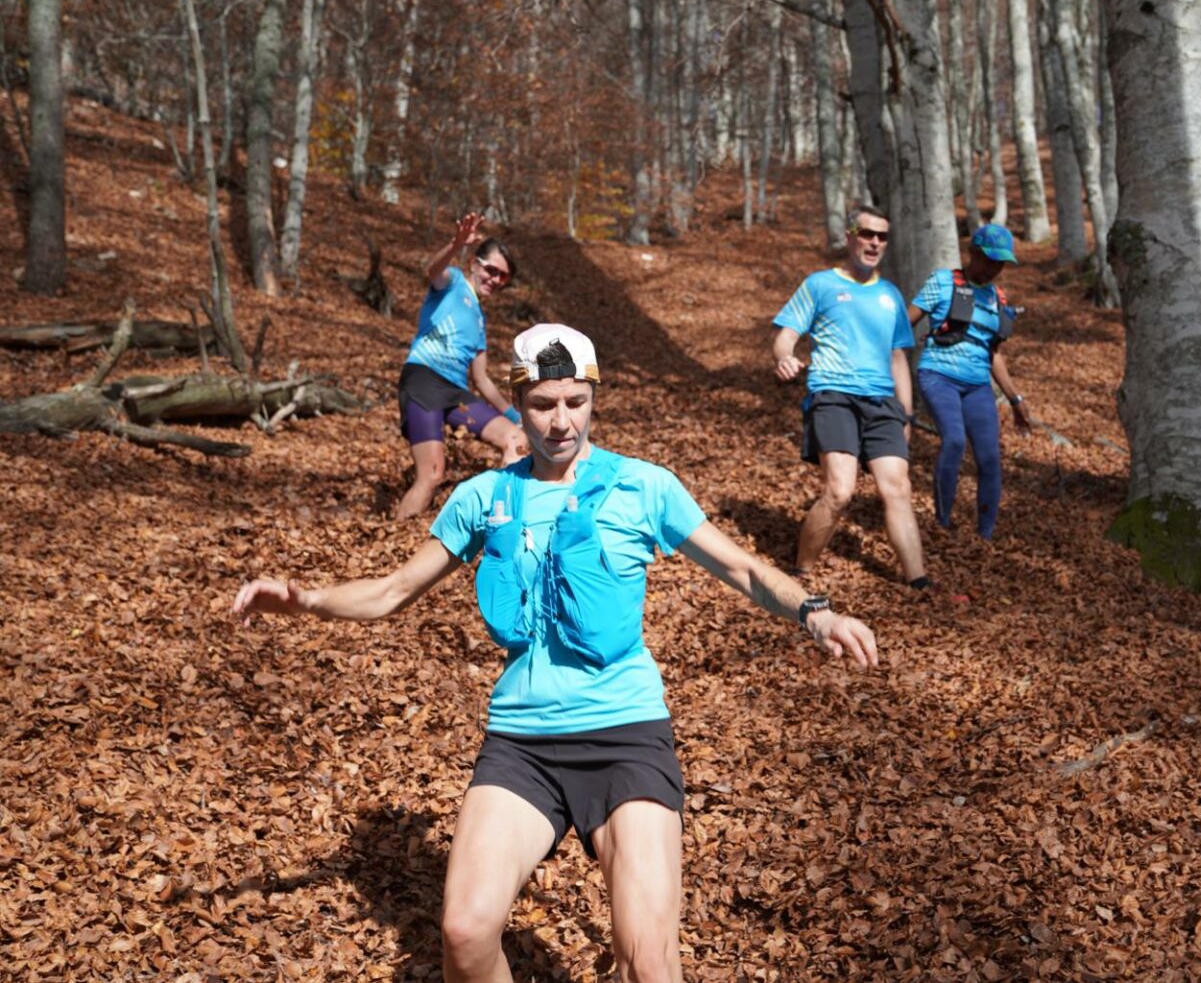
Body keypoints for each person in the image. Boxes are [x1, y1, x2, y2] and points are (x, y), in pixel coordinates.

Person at [233, 323, 877, 983]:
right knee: (464, 931)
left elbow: (739, 567)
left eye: (576, 400)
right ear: (517, 400)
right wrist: (306, 599)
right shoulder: (483, 499)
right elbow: (394, 589)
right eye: (543, 404)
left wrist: (813, 610)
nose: (562, 420)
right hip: (523, 743)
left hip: (625, 736)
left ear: (594, 396)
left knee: (649, 963)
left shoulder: (642, 486)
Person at [771, 204, 929, 589]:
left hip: (882, 405)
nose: (874, 242)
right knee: (840, 491)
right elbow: (786, 335)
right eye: (867, 234)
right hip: (834, 395)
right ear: (850, 236)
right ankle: (801, 571)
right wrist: (785, 358)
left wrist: (905, 414)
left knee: (898, 488)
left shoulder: (890, 294)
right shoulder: (820, 284)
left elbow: (897, 357)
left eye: (882, 236)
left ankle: (920, 582)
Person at [395, 212, 527, 520]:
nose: (495, 280)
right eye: (491, 270)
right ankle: (397, 538)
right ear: (474, 263)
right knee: (431, 474)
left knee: (516, 439)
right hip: (423, 379)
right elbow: (432, 269)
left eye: (502, 277)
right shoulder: (453, 282)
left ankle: (502, 520)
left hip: (455, 392)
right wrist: (456, 243)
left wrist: (516, 416)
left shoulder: (480, 320)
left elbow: (481, 380)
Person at [906, 223, 1032, 540]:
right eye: (989, 260)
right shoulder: (944, 282)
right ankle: (942, 524)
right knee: (955, 440)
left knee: (990, 457)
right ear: (972, 253)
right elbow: (905, 322)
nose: (993, 269)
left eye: (1000, 263)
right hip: (938, 374)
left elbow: (993, 354)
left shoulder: (997, 298)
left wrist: (1015, 399)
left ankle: (985, 535)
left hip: (977, 386)